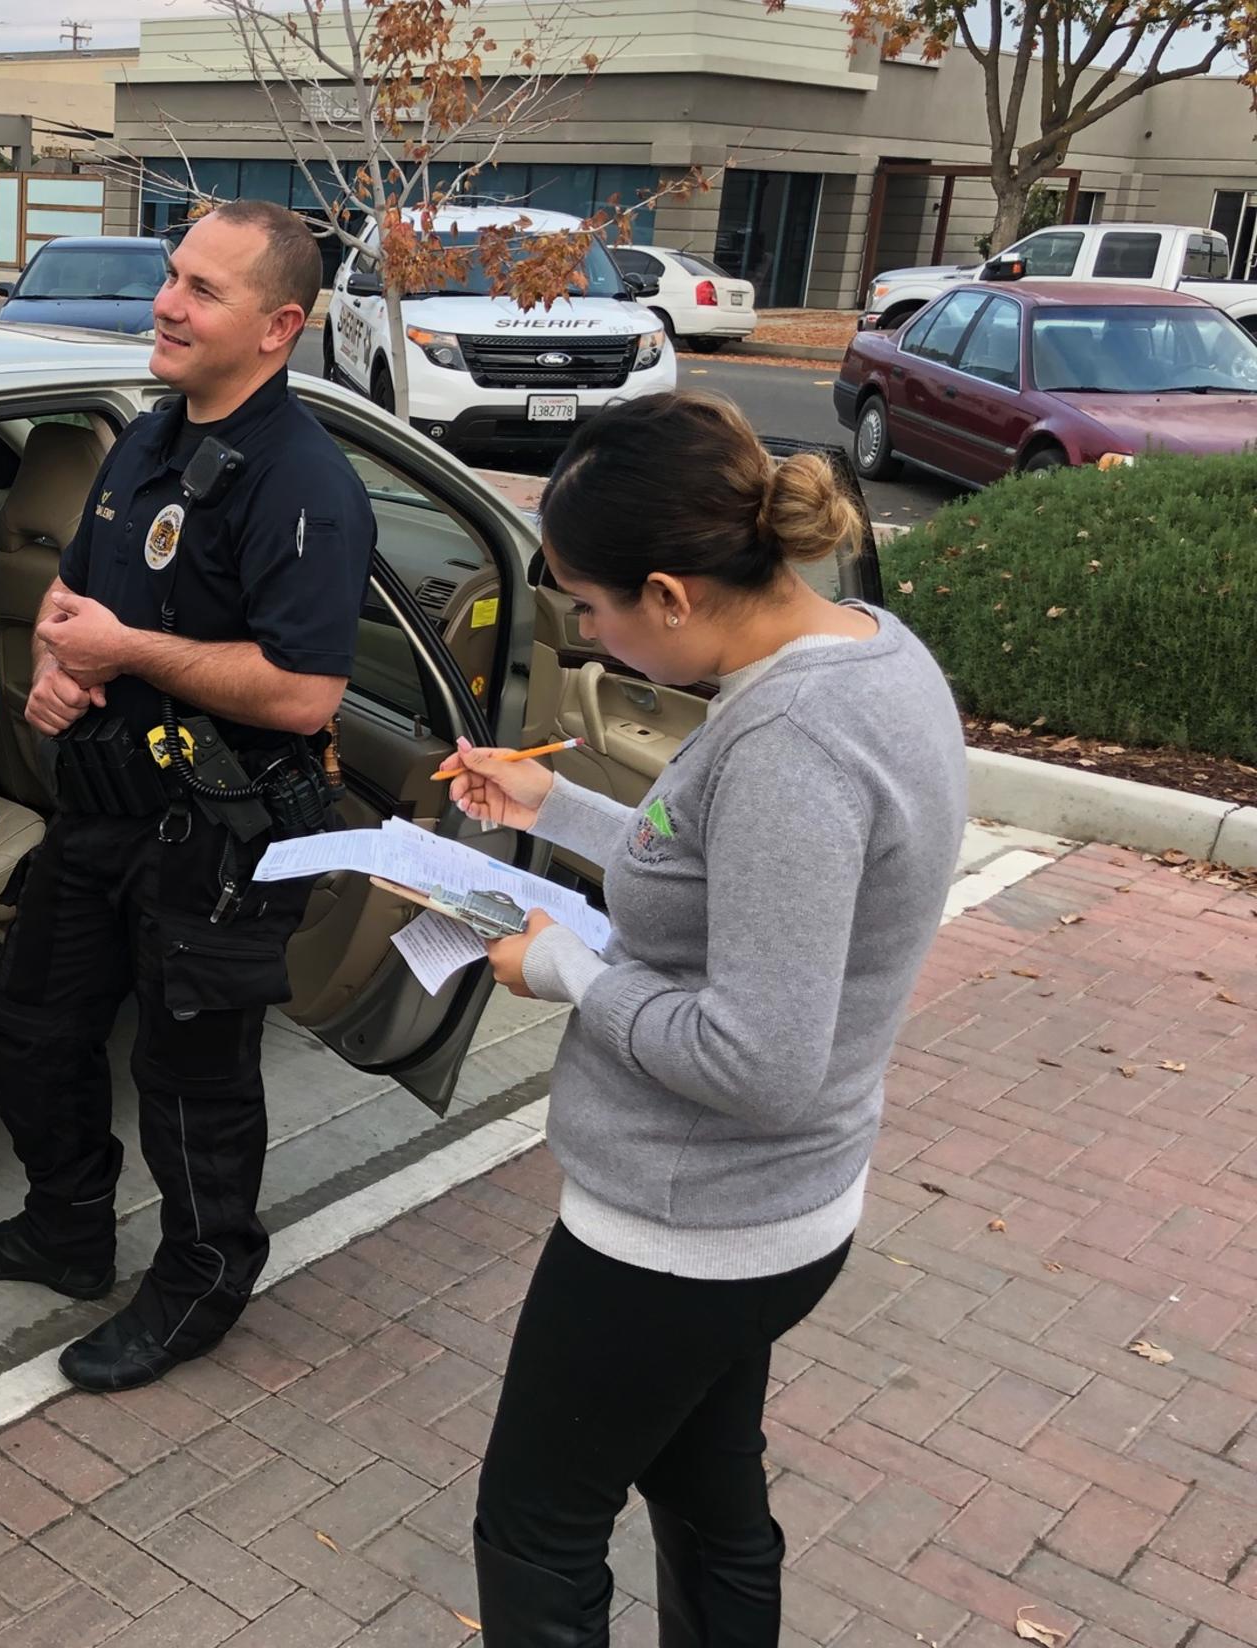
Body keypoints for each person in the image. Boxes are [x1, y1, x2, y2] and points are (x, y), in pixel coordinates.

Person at [444, 393, 967, 1647]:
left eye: (591, 605)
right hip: (772, 1210)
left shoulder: (792, 742)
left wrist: (563, 967)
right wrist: (553, 807)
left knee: (536, 1528)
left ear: (670, 596)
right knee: (709, 1495)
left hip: (685, 1228)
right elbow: (720, 863)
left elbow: (760, 1060)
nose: (585, 630)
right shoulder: (865, 648)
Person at [0, 201, 373, 1394]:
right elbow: (82, 597)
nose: (167, 303)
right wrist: (60, 672)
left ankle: (200, 1279)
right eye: (173, 276)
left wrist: (126, 652)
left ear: (280, 327)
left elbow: (300, 694)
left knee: (193, 1082)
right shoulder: (148, 436)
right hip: (104, 807)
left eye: (204, 290)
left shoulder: (304, 486)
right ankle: (67, 1228)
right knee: (35, 1031)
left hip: (216, 837)